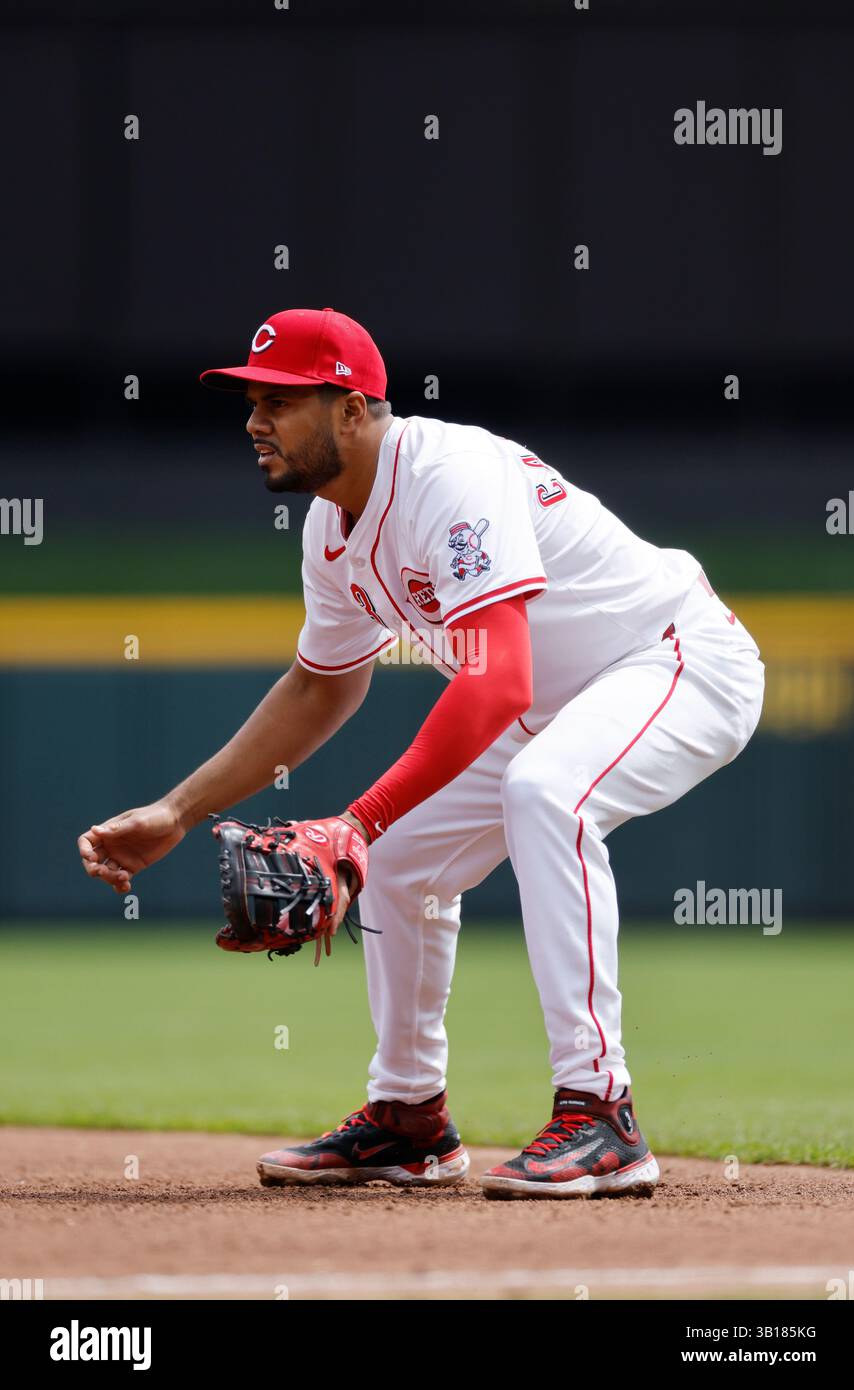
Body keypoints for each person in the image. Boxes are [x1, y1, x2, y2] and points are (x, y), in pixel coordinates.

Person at [78, 307, 765, 1199]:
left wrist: (354, 821)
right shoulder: (331, 530)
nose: (255, 421)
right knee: (398, 864)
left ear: (354, 410)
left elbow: (500, 682)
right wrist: (179, 809)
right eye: (253, 401)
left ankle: (602, 1112)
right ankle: (409, 1120)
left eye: (282, 401)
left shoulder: (450, 477)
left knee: (546, 794)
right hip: (559, 699)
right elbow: (321, 688)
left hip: (674, 658)